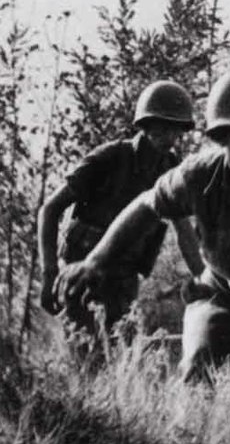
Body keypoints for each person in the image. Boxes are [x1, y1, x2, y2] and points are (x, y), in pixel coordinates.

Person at [61, 71, 230, 382]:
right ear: (222, 135)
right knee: (198, 370)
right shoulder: (197, 175)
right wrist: (96, 261)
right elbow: (147, 206)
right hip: (218, 296)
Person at [35, 80, 202, 352]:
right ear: (145, 125)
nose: (169, 136)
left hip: (124, 279)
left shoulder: (172, 171)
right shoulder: (109, 158)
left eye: (176, 129)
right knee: (86, 353)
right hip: (83, 272)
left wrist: (204, 280)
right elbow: (50, 209)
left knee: (122, 356)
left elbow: (185, 231)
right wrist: (49, 274)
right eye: (161, 127)